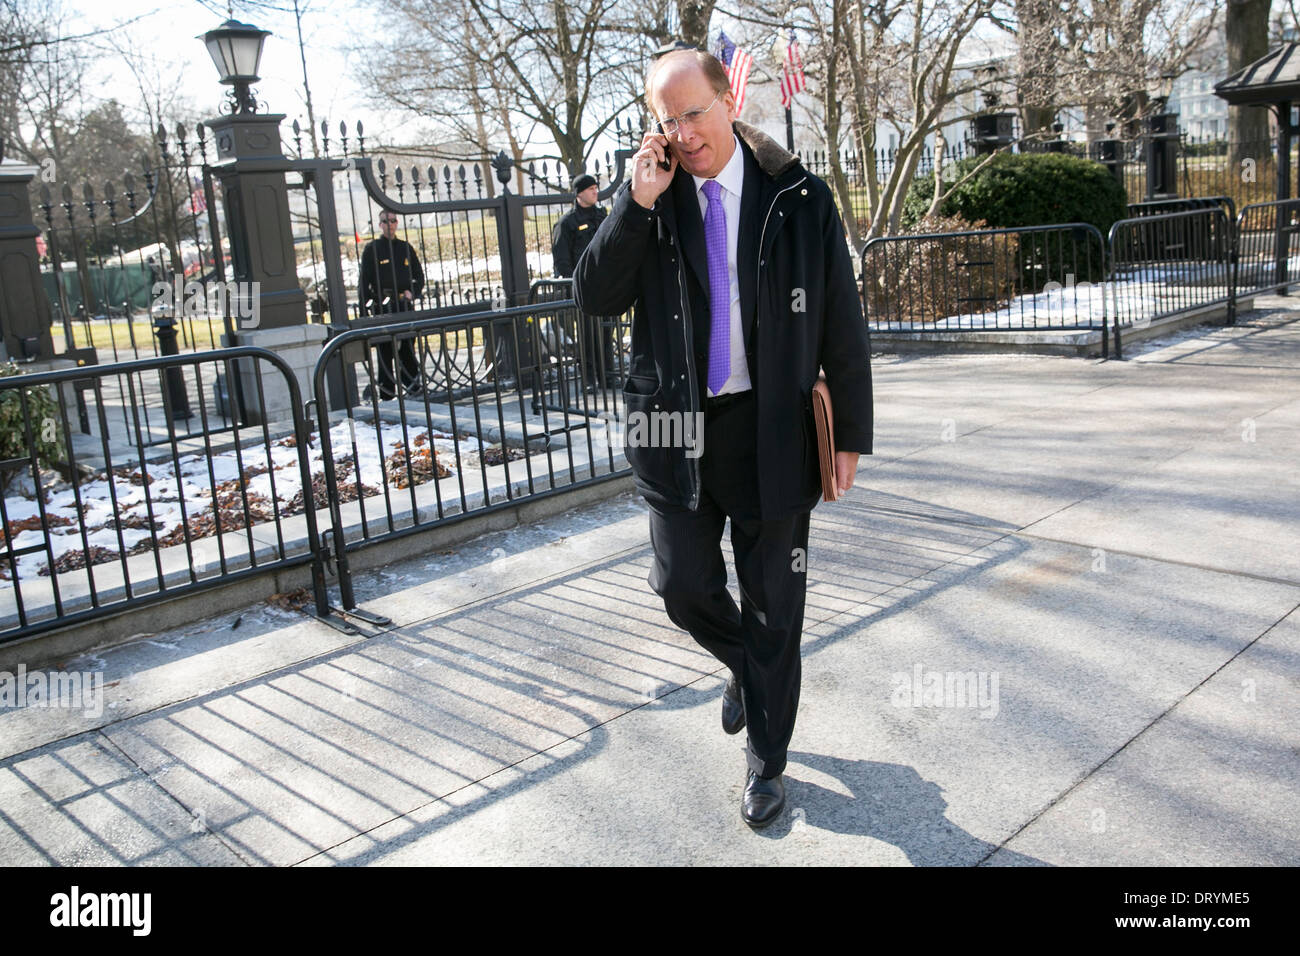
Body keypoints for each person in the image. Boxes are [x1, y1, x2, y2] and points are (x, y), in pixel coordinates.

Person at [572, 49, 873, 828]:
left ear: (728, 101)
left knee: (777, 605)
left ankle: (769, 759)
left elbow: (842, 319)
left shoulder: (798, 197)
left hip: (772, 427)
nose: (684, 132)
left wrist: (852, 434)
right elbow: (595, 297)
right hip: (677, 430)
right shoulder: (654, 193)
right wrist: (633, 207)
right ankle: (751, 668)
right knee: (681, 588)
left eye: (695, 112)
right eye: (667, 119)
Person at [552, 174, 615, 388]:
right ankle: (589, 378)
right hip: (583, 287)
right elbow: (562, 260)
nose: (595, 192)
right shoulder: (567, 222)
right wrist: (574, 284)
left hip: (604, 284)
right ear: (579, 193)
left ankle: (608, 375)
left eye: (596, 188)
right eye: (591, 189)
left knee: (606, 331)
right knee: (587, 335)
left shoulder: (602, 216)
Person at [359, 211, 425, 399]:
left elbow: (419, 276)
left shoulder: (405, 247)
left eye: (393, 221)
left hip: (403, 305)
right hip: (383, 307)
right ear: (380, 225)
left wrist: (413, 291)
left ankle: (413, 386)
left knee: (408, 349)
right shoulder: (372, 249)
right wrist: (366, 310)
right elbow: (365, 281)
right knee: (385, 350)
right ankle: (386, 392)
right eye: (386, 221)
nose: (390, 224)